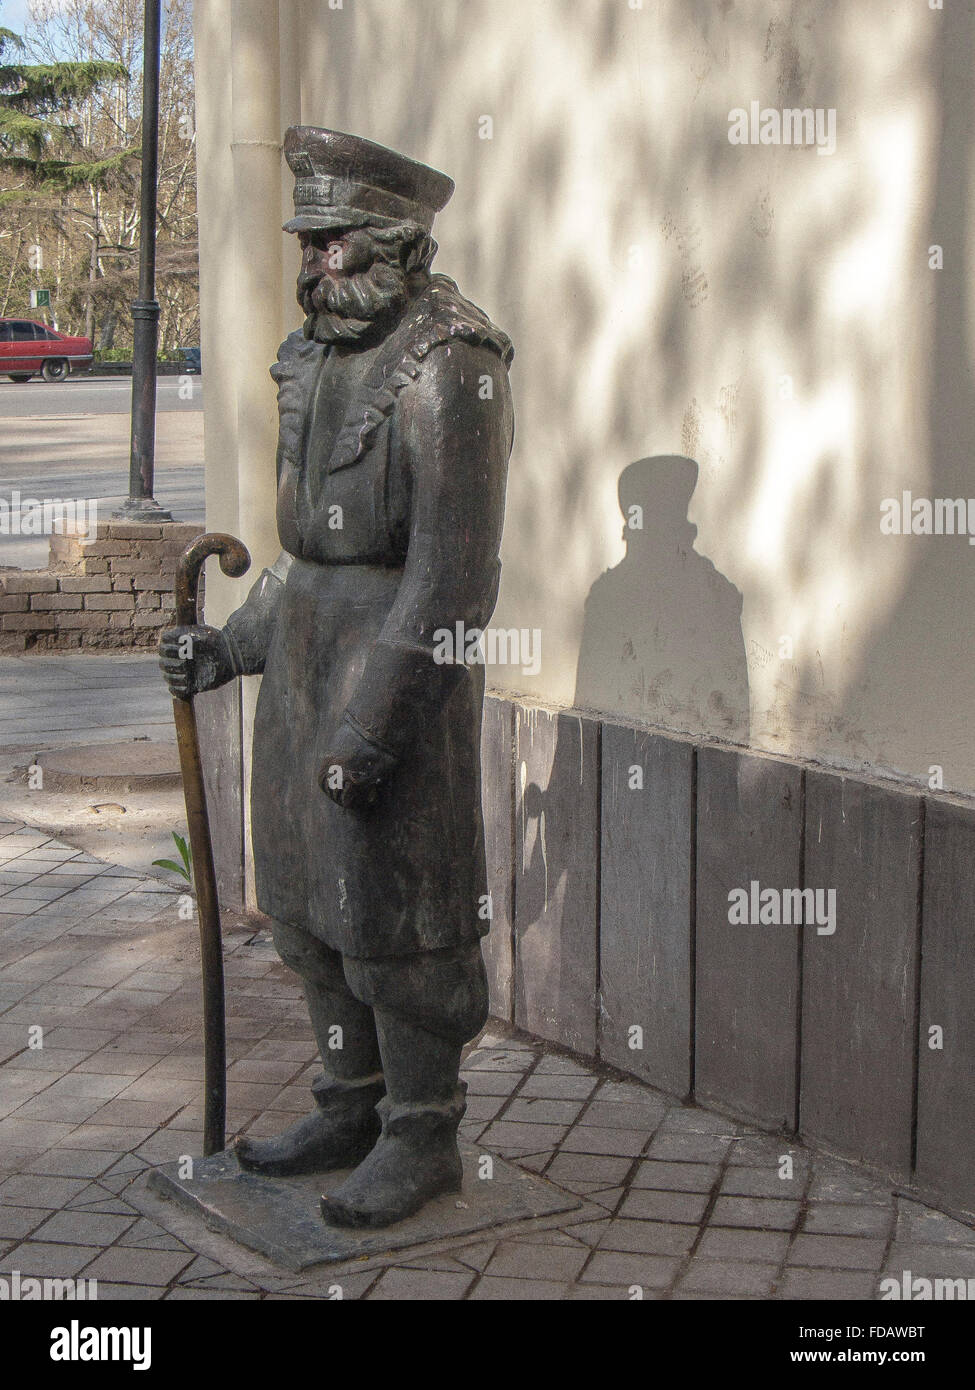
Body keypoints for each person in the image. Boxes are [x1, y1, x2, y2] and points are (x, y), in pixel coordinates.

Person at [160, 126, 514, 1228]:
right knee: (312, 916)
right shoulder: (309, 359)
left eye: (333, 243)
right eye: (307, 244)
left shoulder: (454, 367)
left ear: (399, 243)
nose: (313, 265)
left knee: (402, 928)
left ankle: (421, 1131)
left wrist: (372, 730)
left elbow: (453, 581)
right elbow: (304, 557)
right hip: (304, 668)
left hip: (395, 685)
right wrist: (229, 649)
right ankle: (347, 1104)